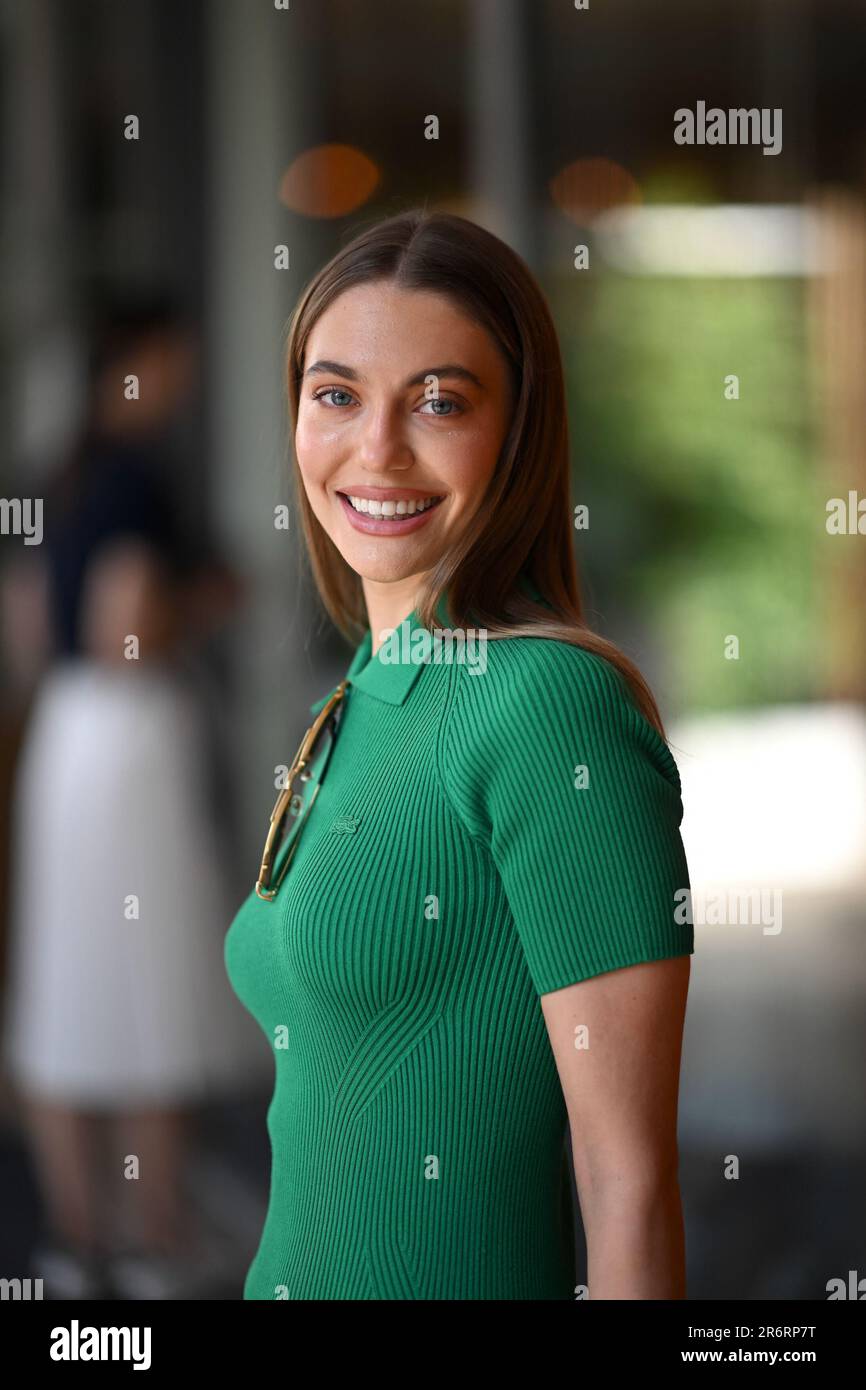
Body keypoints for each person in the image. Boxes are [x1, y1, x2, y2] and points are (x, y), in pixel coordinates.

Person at [224, 209, 694, 1300]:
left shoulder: (548, 705)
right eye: (336, 393)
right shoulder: (362, 688)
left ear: (518, 433)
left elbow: (627, 1180)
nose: (376, 448)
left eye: (438, 401)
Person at [1, 293, 264, 1299]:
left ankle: (79, 1237)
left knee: (68, 983)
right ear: (139, 363)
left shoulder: (56, 476)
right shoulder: (134, 481)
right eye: (173, 360)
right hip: (129, 741)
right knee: (150, 983)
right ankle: (154, 1233)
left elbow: (31, 633)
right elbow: (128, 634)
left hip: (64, 742)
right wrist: (208, 601)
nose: (183, 380)